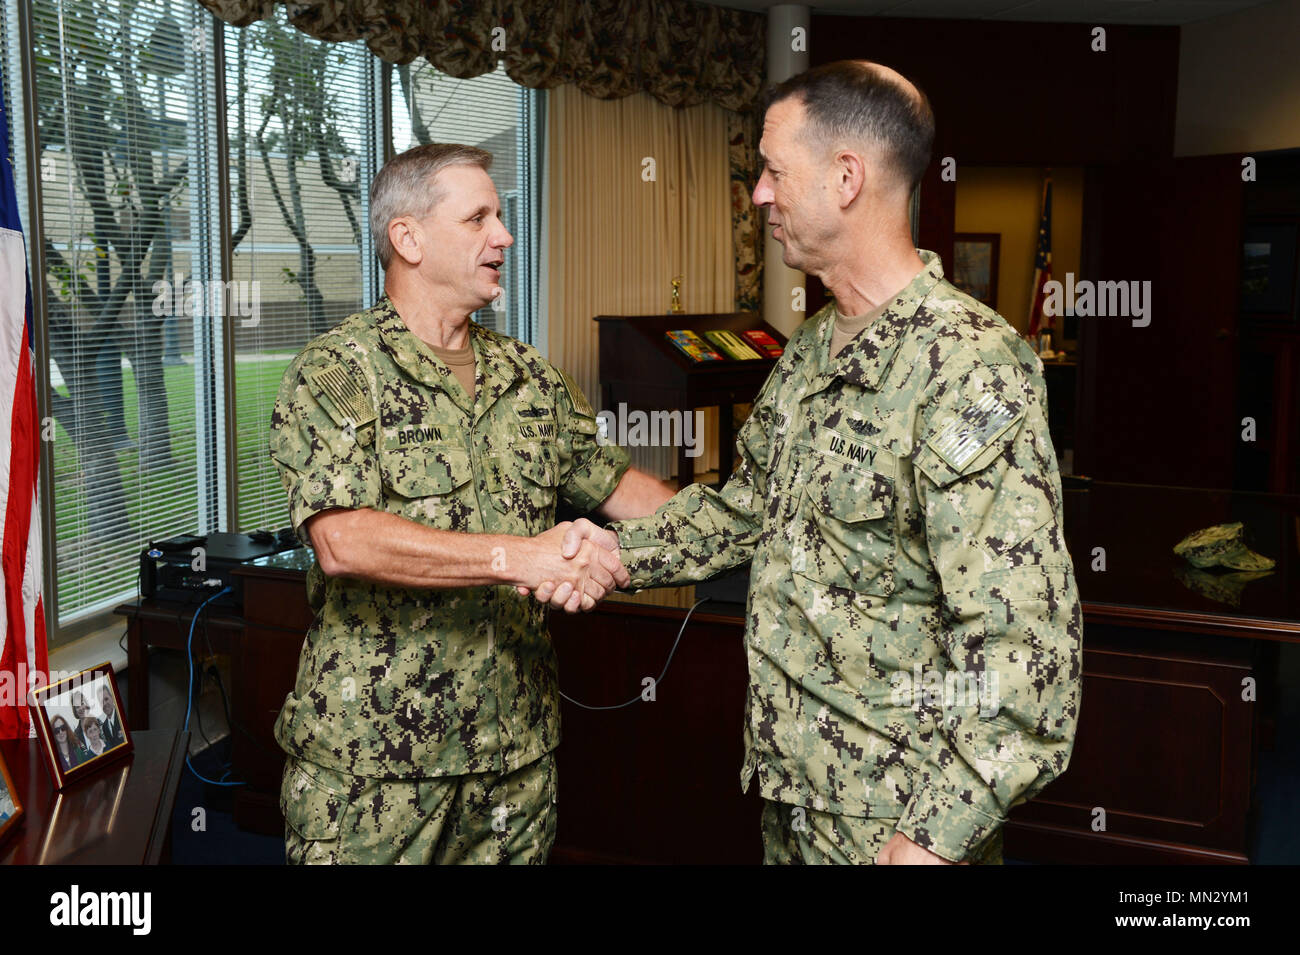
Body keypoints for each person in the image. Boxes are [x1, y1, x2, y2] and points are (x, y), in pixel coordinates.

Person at [556, 61, 1082, 865]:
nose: (760, 194)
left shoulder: (969, 365)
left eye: (773, 170)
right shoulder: (806, 352)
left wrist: (924, 844)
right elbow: (745, 509)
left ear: (846, 178)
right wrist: (617, 552)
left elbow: (1025, 655)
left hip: (899, 820)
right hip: (795, 795)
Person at [269, 142, 673, 865]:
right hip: (378, 768)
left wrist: (748, 529)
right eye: (479, 217)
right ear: (409, 238)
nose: (504, 235)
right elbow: (344, 540)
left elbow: (617, 486)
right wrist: (522, 554)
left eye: (502, 215)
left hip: (513, 754)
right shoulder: (336, 370)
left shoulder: (529, 375)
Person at [98, 685, 125, 749]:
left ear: (112, 698)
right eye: (102, 702)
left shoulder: (122, 715)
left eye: (106, 699)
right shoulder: (104, 726)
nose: (104, 704)